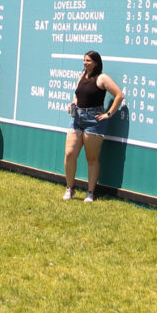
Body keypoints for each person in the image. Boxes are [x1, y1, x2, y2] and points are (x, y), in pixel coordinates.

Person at [63, 50, 124, 202]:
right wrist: (73, 103)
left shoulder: (102, 78)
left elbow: (119, 95)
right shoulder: (81, 77)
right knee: (70, 154)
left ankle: (90, 192)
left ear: (96, 63)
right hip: (76, 119)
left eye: (89, 60)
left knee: (92, 158)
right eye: (84, 60)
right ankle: (70, 189)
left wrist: (108, 114)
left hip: (94, 122)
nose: (85, 63)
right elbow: (77, 95)